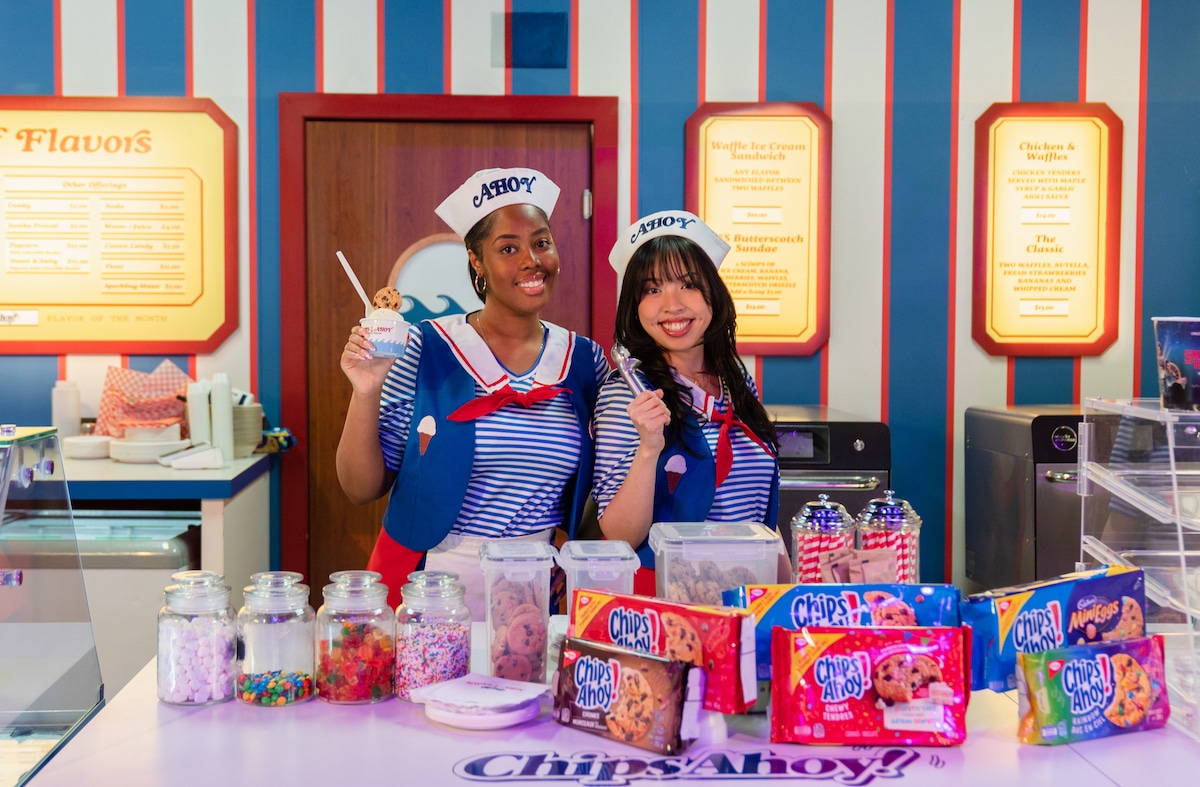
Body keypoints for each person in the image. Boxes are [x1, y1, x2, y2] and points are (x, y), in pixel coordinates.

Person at [337, 167, 610, 618]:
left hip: (533, 589)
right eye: (508, 248)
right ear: (477, 261)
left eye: (541, 242)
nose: (531, 260)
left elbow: (601, 493)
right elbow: (359, 487)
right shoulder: (425, 347)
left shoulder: (585, 362)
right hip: (426, 583)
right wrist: (365, 391)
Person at [591, 210, 781, 595]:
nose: (672, 304)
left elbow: (763, 521)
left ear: (714, 292)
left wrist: (786, 594)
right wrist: (649, 448)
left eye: (689, 285)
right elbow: (618, 537)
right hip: (666, 600)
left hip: (747, 593)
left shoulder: (737, 381)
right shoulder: (627, 393)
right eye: (651, 289)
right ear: (635, 306)